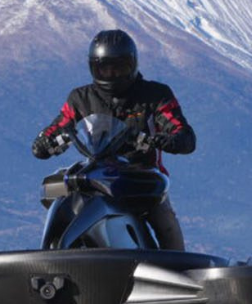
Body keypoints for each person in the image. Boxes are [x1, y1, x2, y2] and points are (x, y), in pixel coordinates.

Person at [31, 29, 196, 250]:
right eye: (104, 67)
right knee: (61, 198)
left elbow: (181, 132)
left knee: (165, 221)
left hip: (140, 179)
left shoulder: (155, 95)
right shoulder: (80, 98)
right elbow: (58, 126)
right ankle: (50, 254)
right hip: (94, 176)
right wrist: (46, 142)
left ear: (133, 64)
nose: (112, 73)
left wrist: (169, 140)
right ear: (93, 67)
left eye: (119, 67)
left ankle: (180, 270)